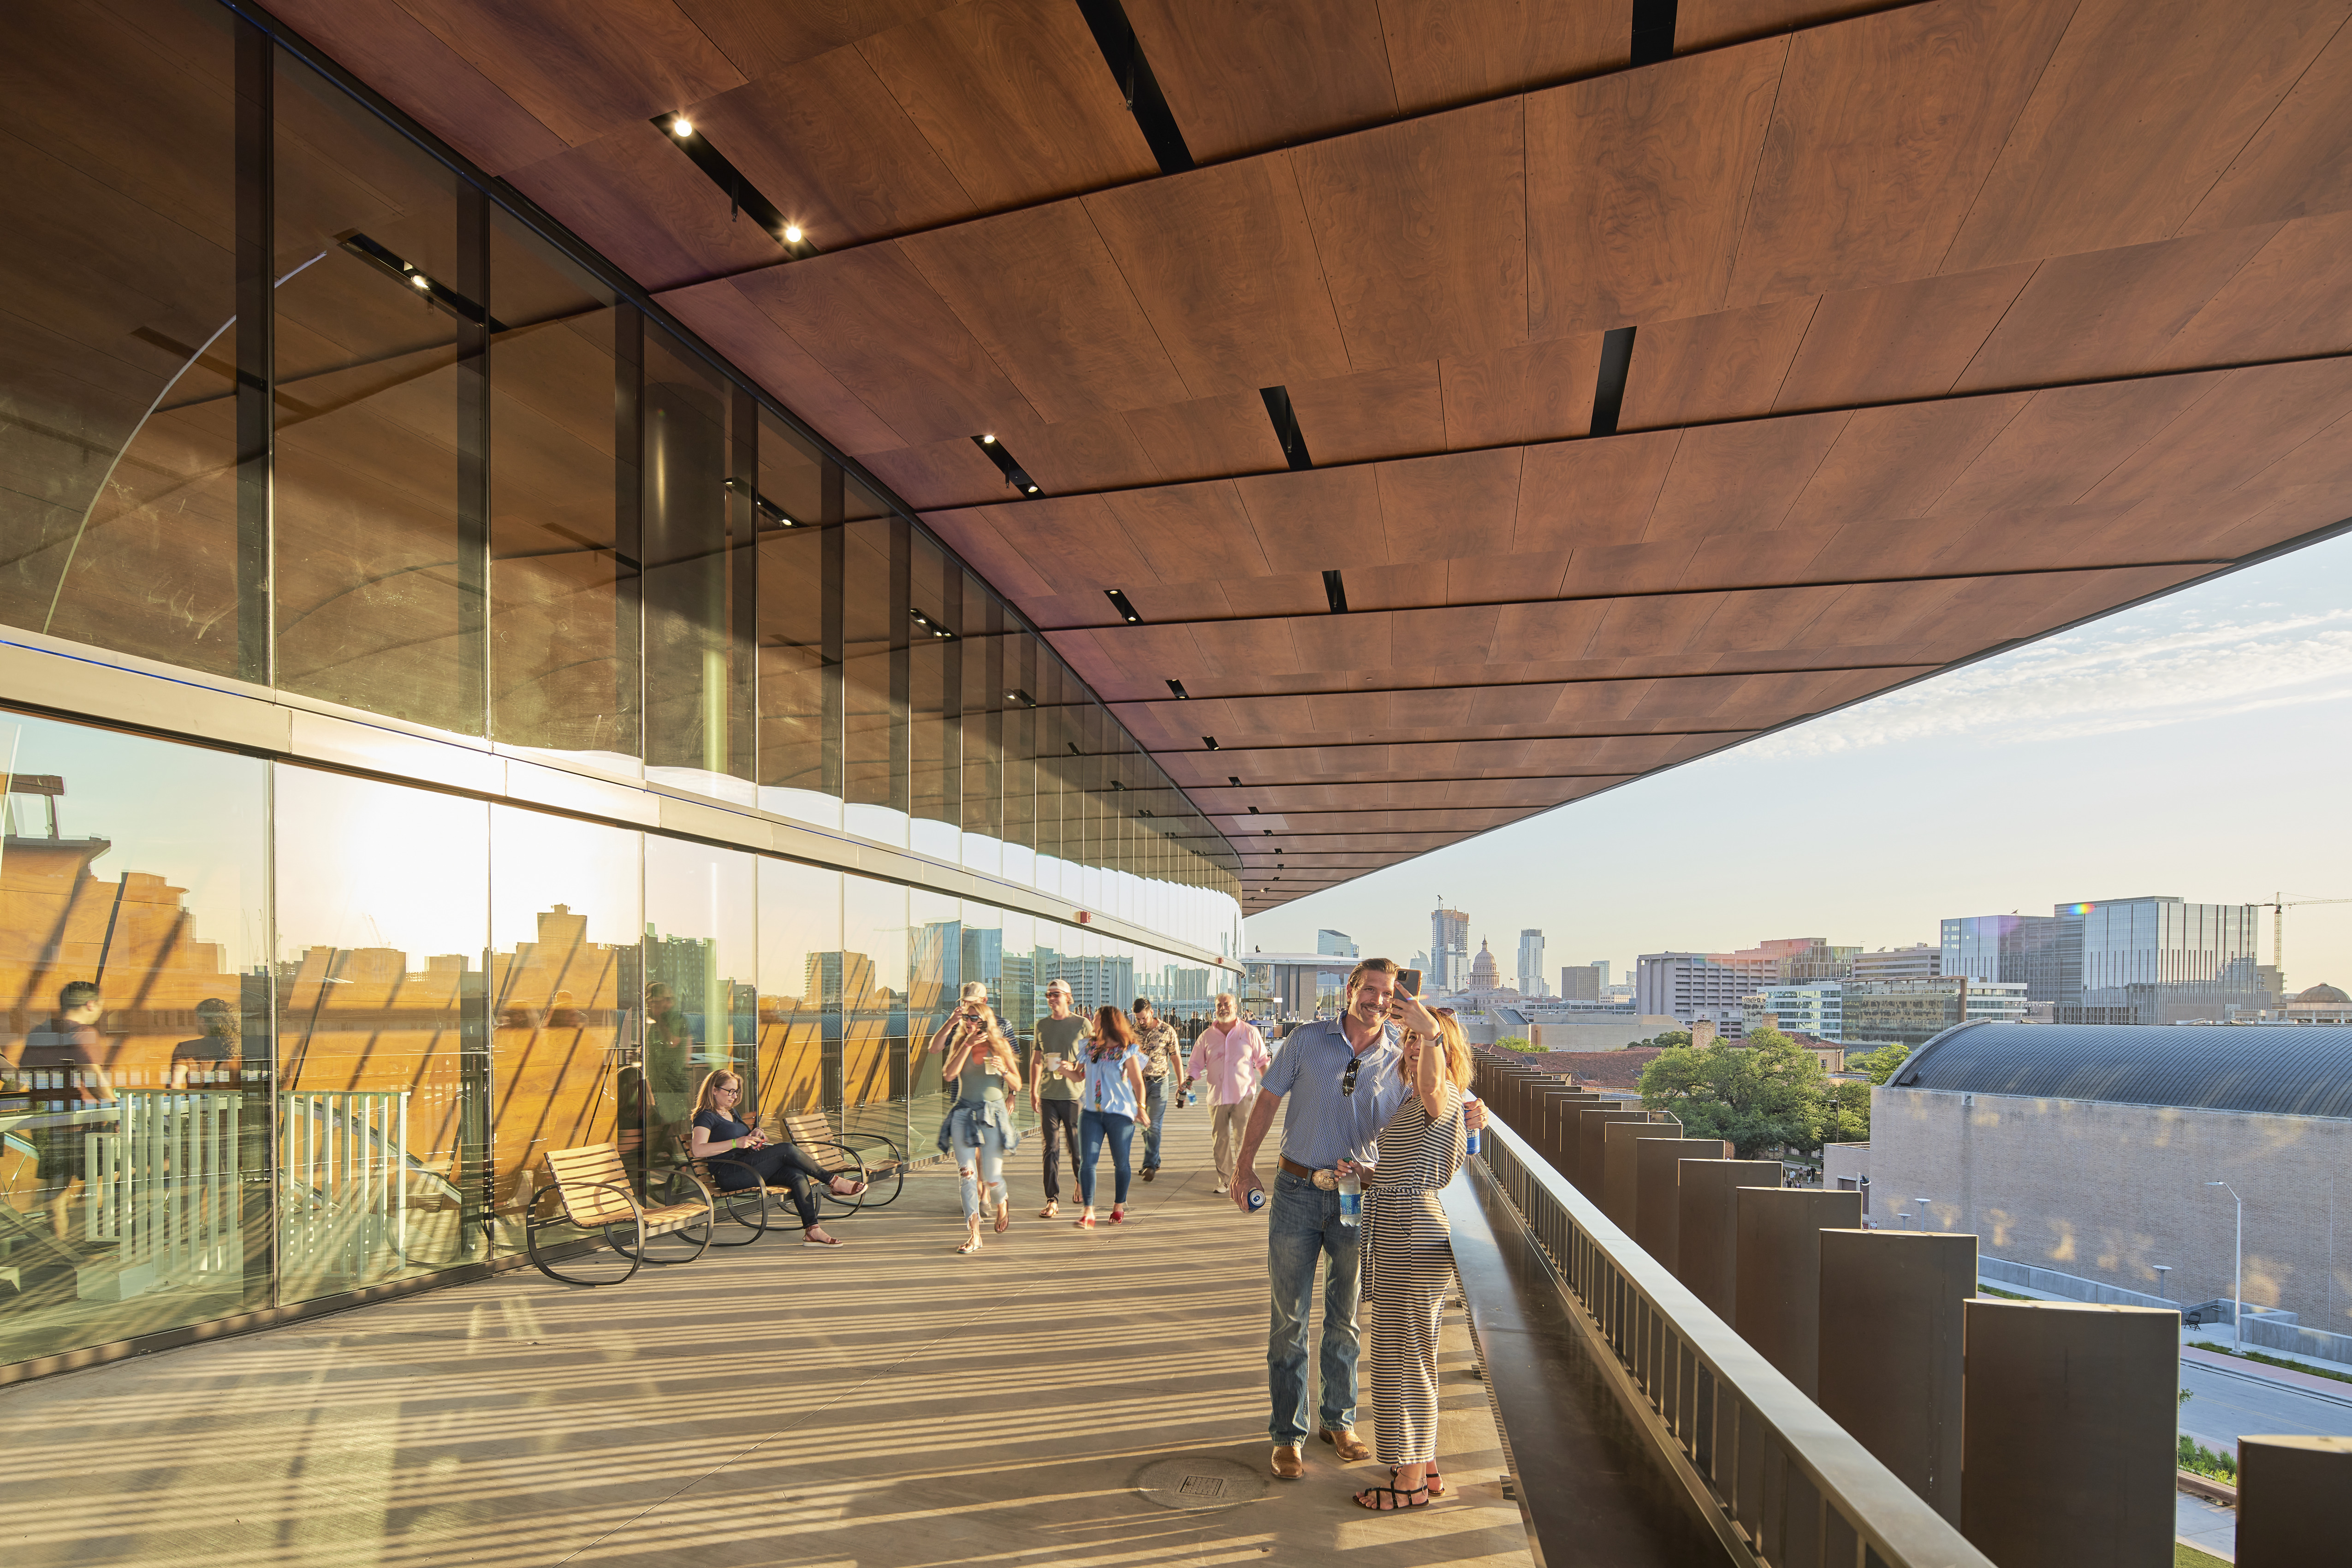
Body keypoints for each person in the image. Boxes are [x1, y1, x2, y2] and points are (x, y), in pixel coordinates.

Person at [1230, 959, 1479, 1481]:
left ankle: (1338, 1422)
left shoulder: (1403, 1053)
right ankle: (1287, 1435)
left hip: (1359, 1198)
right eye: (1371, 989)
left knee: (1345, 1320)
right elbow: (1268, 1099)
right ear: (1351, 989)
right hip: (1297, 1190)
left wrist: (1477, 1113)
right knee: (1289, 1322)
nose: (1379, 1000)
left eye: (1389, 994)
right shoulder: (1306, 1040)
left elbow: (1442, 1098)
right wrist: (1244, 1166)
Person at [1352, 1008, 1471, 1511]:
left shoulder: (1439, 1093)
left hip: (1410, 1230)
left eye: (1425, 1039)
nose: (1415, 1047)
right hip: (1403, 1224)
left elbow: (1432, 1083)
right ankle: (1426, 1464)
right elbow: (1405, 1162)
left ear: (1445, 1046)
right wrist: (1368, 1175)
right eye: (1410, 1040)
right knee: (1414, 1353)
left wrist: (1430, 1032)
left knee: (1401, 1359)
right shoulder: (1418, 1100)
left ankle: (1410, 1482)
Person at [688, 1070, 859, 1247]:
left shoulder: (731, 1112)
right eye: (730, 1091)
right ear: (714, 1090)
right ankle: (833, 1181)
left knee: (795, 1174)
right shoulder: (705, 1116)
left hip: (749, 1168)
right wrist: (735, 1143)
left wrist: (755, 1134)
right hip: (731, 1174)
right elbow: (698, 1150)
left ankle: (813, 1230)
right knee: (786, 1149)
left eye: (737, 1091)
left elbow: (741, 1140)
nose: (735, 1096)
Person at [19, 980, 111, 1240]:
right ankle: (91, 1242)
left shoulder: (39, 1032)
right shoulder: (83, 1032)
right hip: (83, 1121)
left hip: (47, 1120)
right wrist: (115, 1106)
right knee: (102, 1179)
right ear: (91, 1004)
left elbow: (24, 1074)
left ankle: (59, 1248)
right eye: (101, 1006)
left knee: (56, 1189)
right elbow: (92, 1078)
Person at [936, 986, 1023, 1255]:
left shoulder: (1001, 1045)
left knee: (992, 1177)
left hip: (993, 1114)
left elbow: (1017, 1084)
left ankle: (1002, 1201)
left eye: (974, 1018)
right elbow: (949, 1075)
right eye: (966, 1017)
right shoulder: (961, 1043)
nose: (969, 1022)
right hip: (964, 1113)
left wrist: (1004, 1070)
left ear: (986, 1021)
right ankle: (974, 1234)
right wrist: (967, 1045)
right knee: (967, 1175)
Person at [1071, 1005, 1150, 1229]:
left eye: (1096, 1017)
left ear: (1107, 1022)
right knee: (1087, 1162)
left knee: (1121, 1163)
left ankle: (1119, 1206)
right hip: (1091, 1113)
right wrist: (1061, 1068)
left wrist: (1141, 1108)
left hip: (1120, 1115)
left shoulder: (1126, 1050)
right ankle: (1088, 1211)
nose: (1093, 1020)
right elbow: (1078, 1075)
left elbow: (1138, 1083)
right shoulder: (1089, 1047)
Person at [1185, 993, 1269, 1193]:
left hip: (1243, 1096)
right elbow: (1195, 1064)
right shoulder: (1207, 1036)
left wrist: (1270, 1089)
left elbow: (1262, 1061)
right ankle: (1224, 1180)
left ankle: (1246, 1178)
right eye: (1219, 1005)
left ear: (1235, 1007)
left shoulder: (1249, 1032)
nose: (1223, 1008)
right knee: (1220, 1141)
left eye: (1227, 1004)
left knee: (1245, 1140)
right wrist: (1189, 1080)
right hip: (1217, 1097)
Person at [1027, 979, 1089, 1218]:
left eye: (1056, 994)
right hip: (1048, 1096)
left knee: (1076, 1148)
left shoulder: (1082, 1024)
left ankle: (1080, 1181)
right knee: (1050, 1149)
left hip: (1074, 1095)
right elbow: (1036, 1061)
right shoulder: (1042, 1025)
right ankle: (1052, 1199)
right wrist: (1033, 1091)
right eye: (1048, 995)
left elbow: (1091, 1057)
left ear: (1068, 997)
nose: (1051, 999)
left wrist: (1073, 1066)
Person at [1131, 998, 1183, 1182]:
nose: (1141, 1022)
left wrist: (1181, 1084)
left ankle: (1149, 1165)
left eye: (1144, 1018)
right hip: (1138, 1085)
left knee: (1153, 1124)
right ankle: (1155, 1159)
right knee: (1144, 1125)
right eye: (1138, 1018)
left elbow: (1176, 1058)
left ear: (1152, 1013)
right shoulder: (1131, 1032)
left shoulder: (1167, 1030)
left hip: (1159, 1083)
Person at [169, 998, 242, 1088]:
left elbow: (175, 1085)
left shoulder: (186, 1048)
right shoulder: (239, 1050)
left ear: (202, 1020)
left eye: (197, 1019)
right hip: (232, 1098)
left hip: (198, 1098)